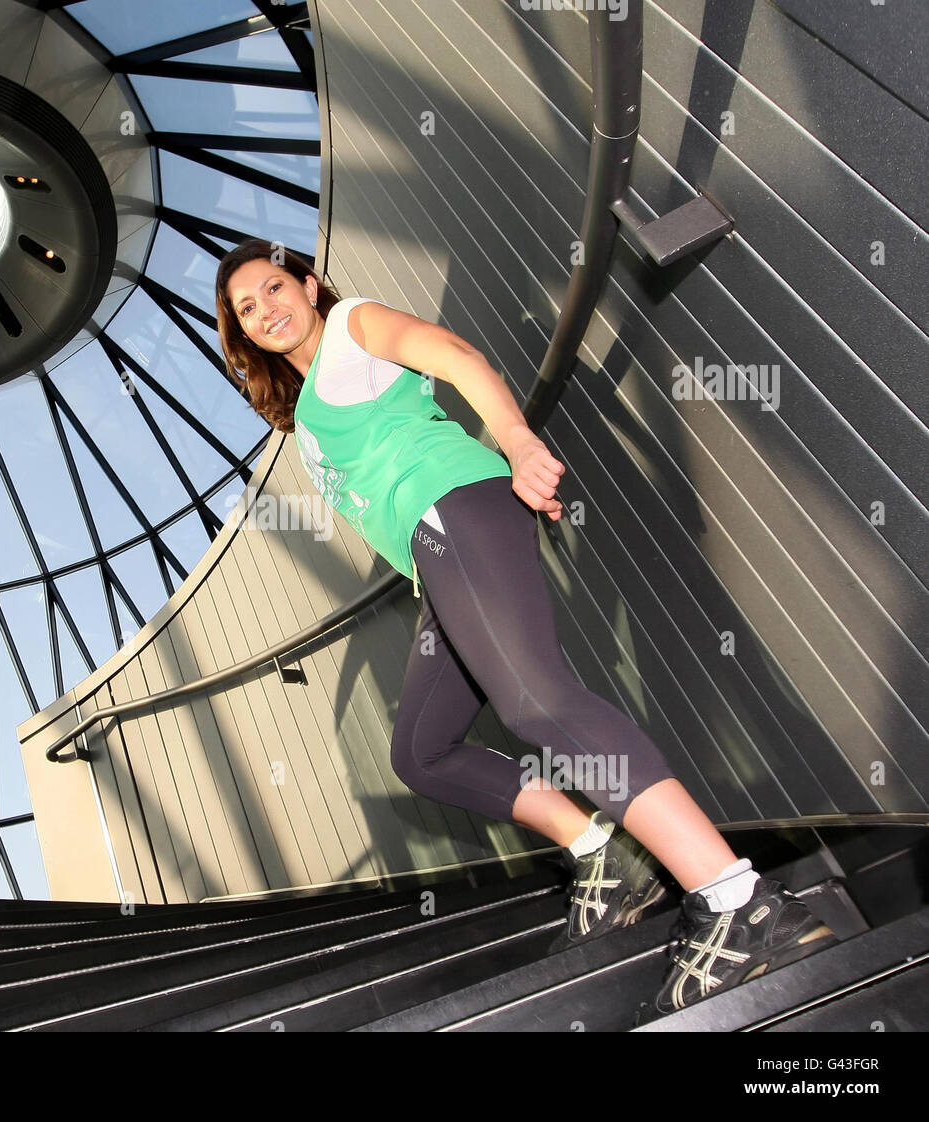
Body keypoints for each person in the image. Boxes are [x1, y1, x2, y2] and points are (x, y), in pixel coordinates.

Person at [216, 238, 836, 1019]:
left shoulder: (354, 327)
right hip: (434, 560)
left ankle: (739, 903)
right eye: (248, 308)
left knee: (538, 703)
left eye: (275, 287)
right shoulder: (304, 413)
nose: (267, 309)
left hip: (460, 511)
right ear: (240, 332)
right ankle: (599, 853)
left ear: (308, 285)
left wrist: (515, 442)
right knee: (422, 752)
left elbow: (456, 355)